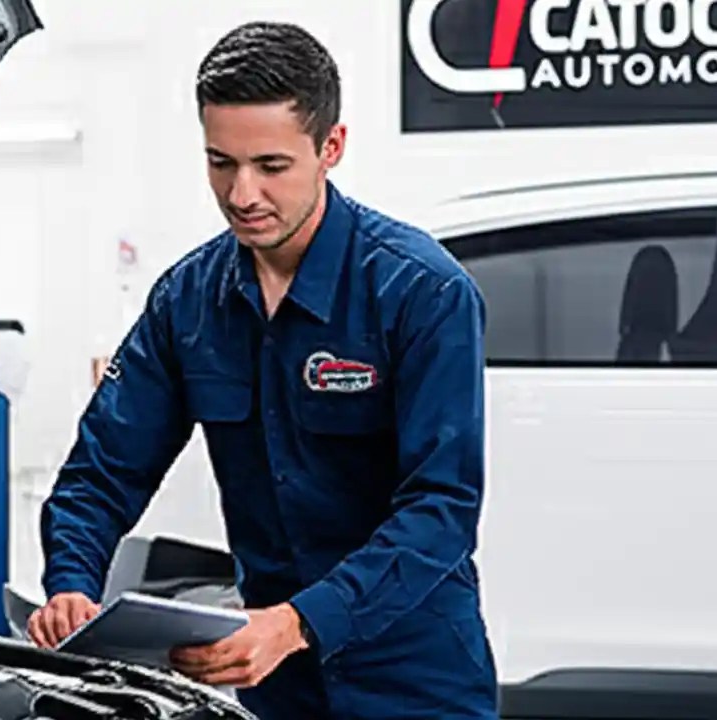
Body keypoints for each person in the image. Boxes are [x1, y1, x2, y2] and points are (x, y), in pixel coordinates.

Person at [29, 20, 498, 719]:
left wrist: (297, 623)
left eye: (271, 166)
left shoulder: (421, 292)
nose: (243, 193)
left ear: (330, 147)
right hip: (274, 688)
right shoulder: (187, 301)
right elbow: (103, 471)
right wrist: (71, 583)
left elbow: (441, 510)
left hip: (414, 677)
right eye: (221, 163)